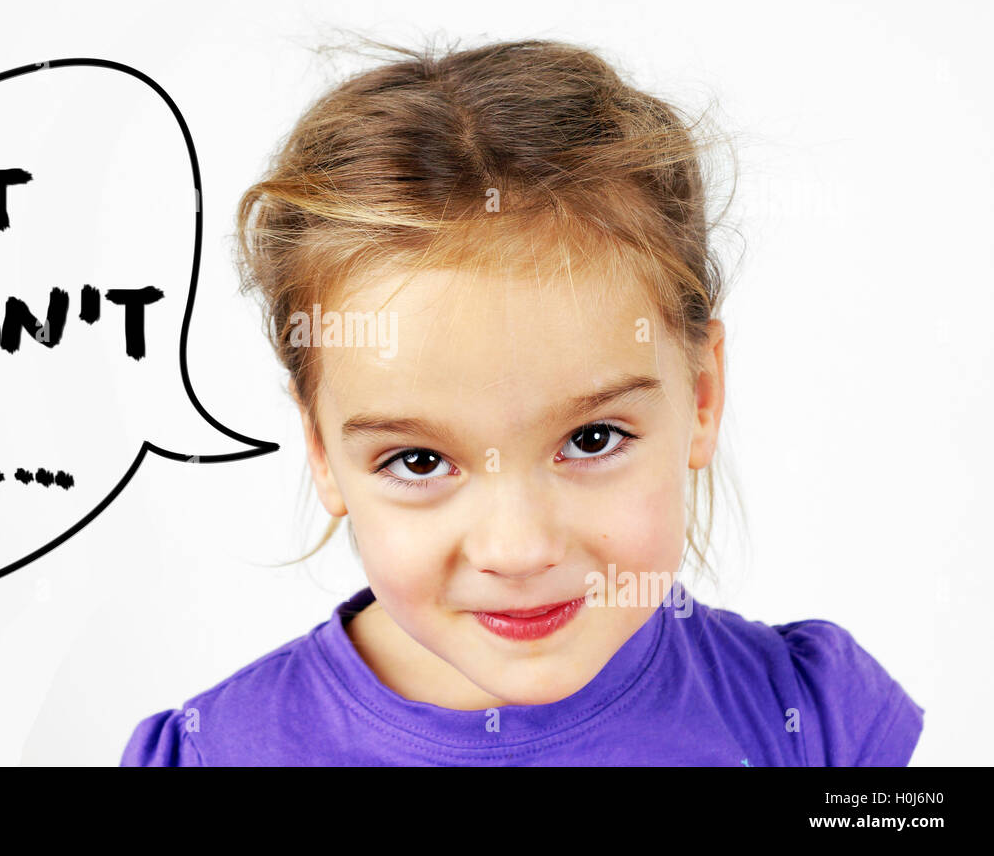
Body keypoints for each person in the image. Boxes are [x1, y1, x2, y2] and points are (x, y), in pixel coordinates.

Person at [121, 37, 924, 765]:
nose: (517, 550)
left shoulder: (814, 722)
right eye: (420, 459)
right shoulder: (215, 754)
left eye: (593, 438)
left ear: (703, 396)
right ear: (324, 453)